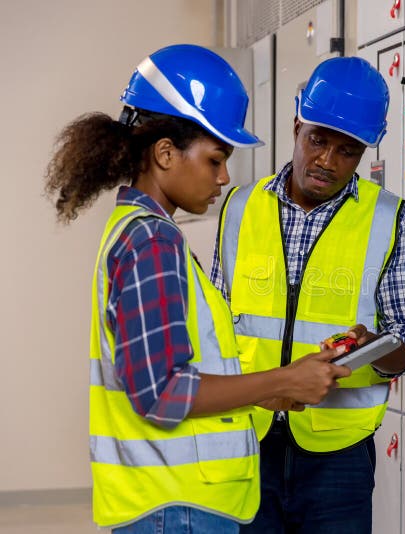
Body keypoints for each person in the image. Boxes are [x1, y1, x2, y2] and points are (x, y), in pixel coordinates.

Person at [43, 44, 351, 533]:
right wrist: (280, 381)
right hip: (177, 509)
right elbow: (161, 393)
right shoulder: (151, 241)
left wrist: (263, 394)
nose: (225, 177)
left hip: (170, 504)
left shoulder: (142, 232)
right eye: (215, 159)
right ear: (165, 153)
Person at [210, 56, 405, 533]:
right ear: (297, 126)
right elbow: (215, 320)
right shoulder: (240, 206)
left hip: (339, 454)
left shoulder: (391, 218)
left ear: (364, 153)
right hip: (246, 432)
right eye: (317, 140)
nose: (328, 161)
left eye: (347, 151)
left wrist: (376, 346)